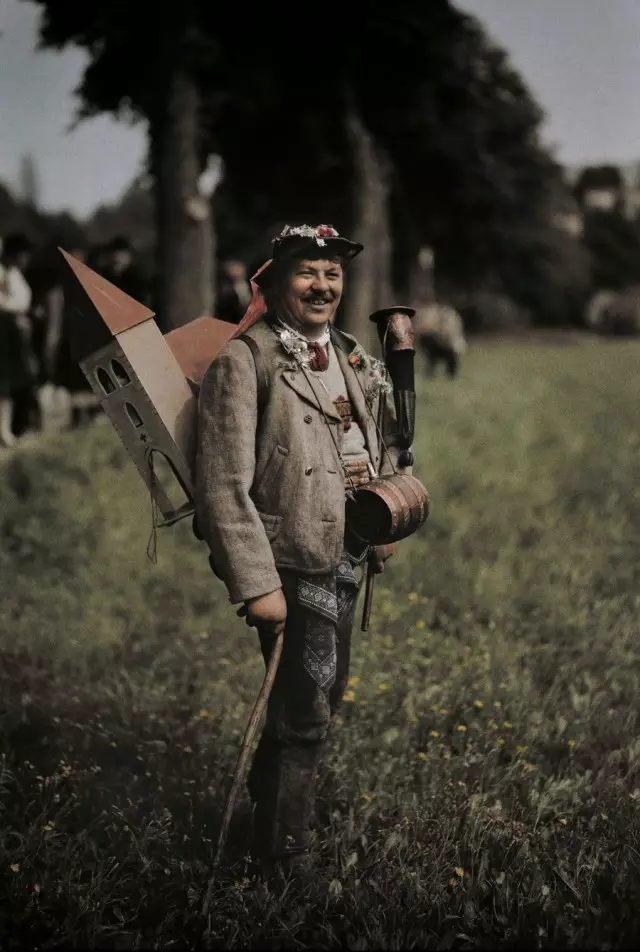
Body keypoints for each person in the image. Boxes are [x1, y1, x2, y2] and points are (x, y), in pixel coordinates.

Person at [195, 223, 411, 887]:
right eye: (308, 272)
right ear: (275, 280)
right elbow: (222, 486)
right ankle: (286, 861)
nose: (323, 286)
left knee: (320, 695)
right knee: (307, 709)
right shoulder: (246, 360)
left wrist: (380, 521)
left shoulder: (348, 354)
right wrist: (257, 583)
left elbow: (364, 448)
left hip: (345, 551)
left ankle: (265, 813)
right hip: (289, 559)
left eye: (333, 274)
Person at [0, 233, 37, 446]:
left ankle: (8, 429)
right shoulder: (3, 272)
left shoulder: (14, 275)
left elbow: (22, 300)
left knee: (11, 383)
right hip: (4, 327)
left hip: (12, 331)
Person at [415, 301, 467, 378]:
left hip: (449, 346)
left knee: (452, 357)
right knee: (432, 354)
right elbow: (422, 332)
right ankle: (431, 372)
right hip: (436, 346)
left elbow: (454, 338)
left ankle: (450, 374)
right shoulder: (431, 319)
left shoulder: (451, 318)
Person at [215, 258, 252, 324]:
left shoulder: (253, 286)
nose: (237, 270)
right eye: (233, 267)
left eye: (238, 267)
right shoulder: (226, 293)